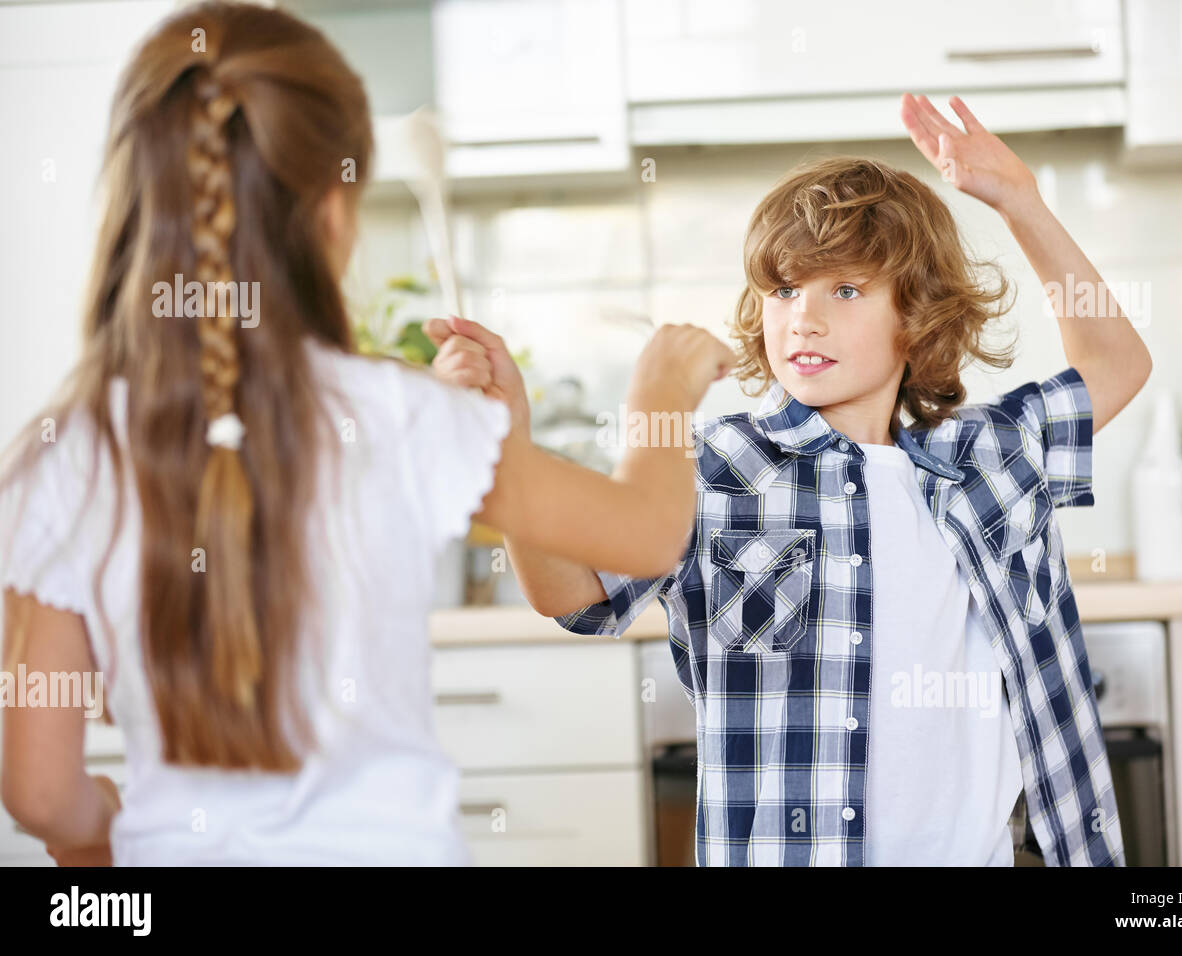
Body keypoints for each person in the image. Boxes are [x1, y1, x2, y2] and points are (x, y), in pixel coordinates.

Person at [0, 1, 732, 866]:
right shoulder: (402, 420)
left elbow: (39, 790)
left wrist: (98, 832)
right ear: (335, 213)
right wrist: (661, 386)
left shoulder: (67, 451)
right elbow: (649, 534)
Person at [493, 94, 1153, 866]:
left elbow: (1117, 365)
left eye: (843, 290)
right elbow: (571, 593)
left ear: (917, 314)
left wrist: (1020, 200)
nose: (802, 318)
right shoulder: (718, 468)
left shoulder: (988, 456)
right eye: (783, 290)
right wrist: (503, 449)